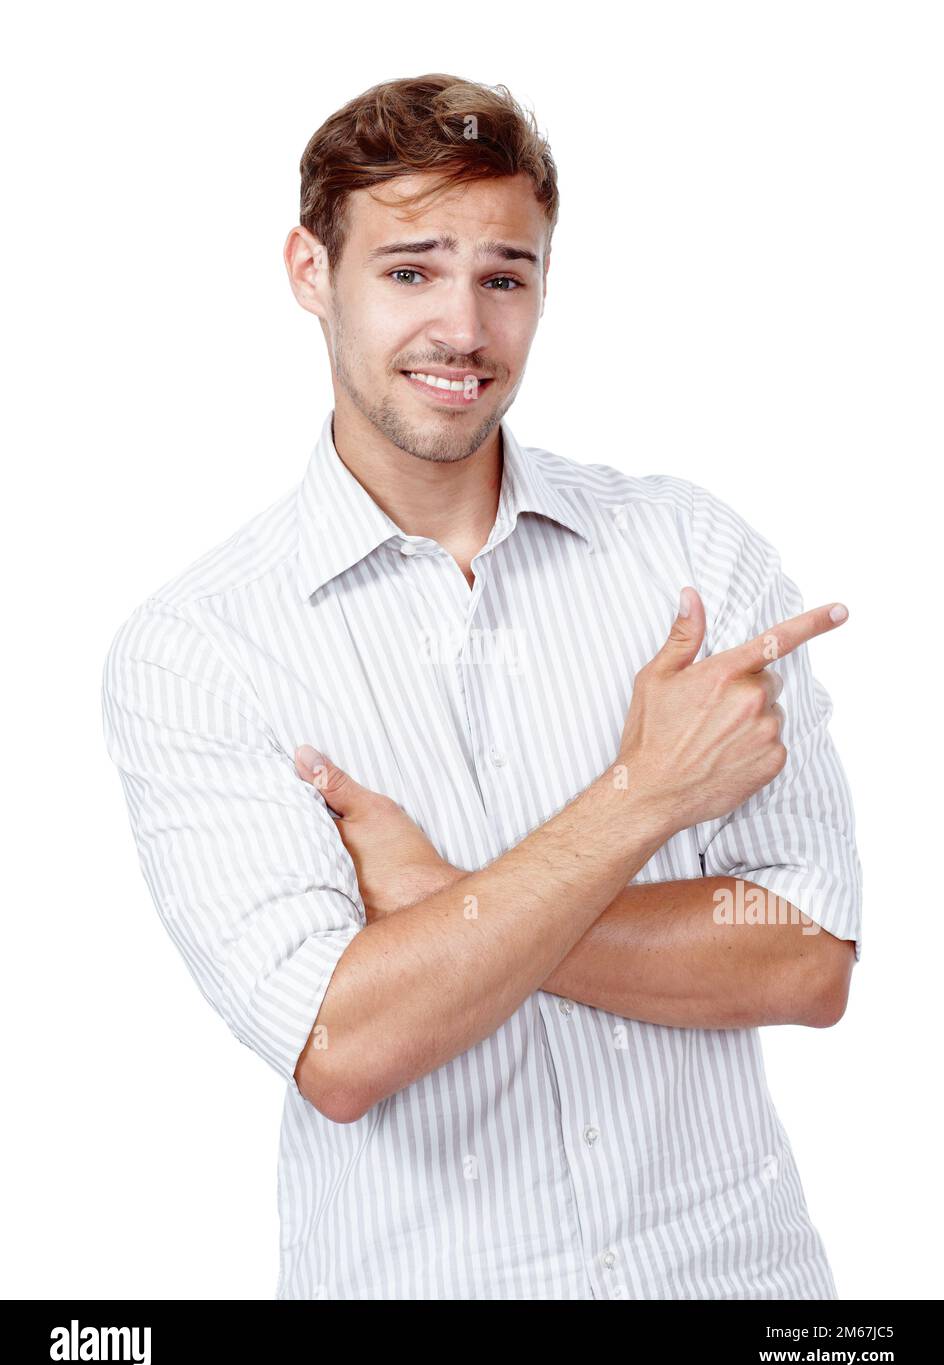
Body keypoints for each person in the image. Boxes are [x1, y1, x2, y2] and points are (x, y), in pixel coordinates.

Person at [101, 73, 862, 1301]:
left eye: (504, 275)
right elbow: (346, 1043)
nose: (462, 327)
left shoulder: (688, 555)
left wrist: (445, 906)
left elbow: (802, 957)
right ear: (310, 271)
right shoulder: (199, 647)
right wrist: (641, 797)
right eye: (410, 269)